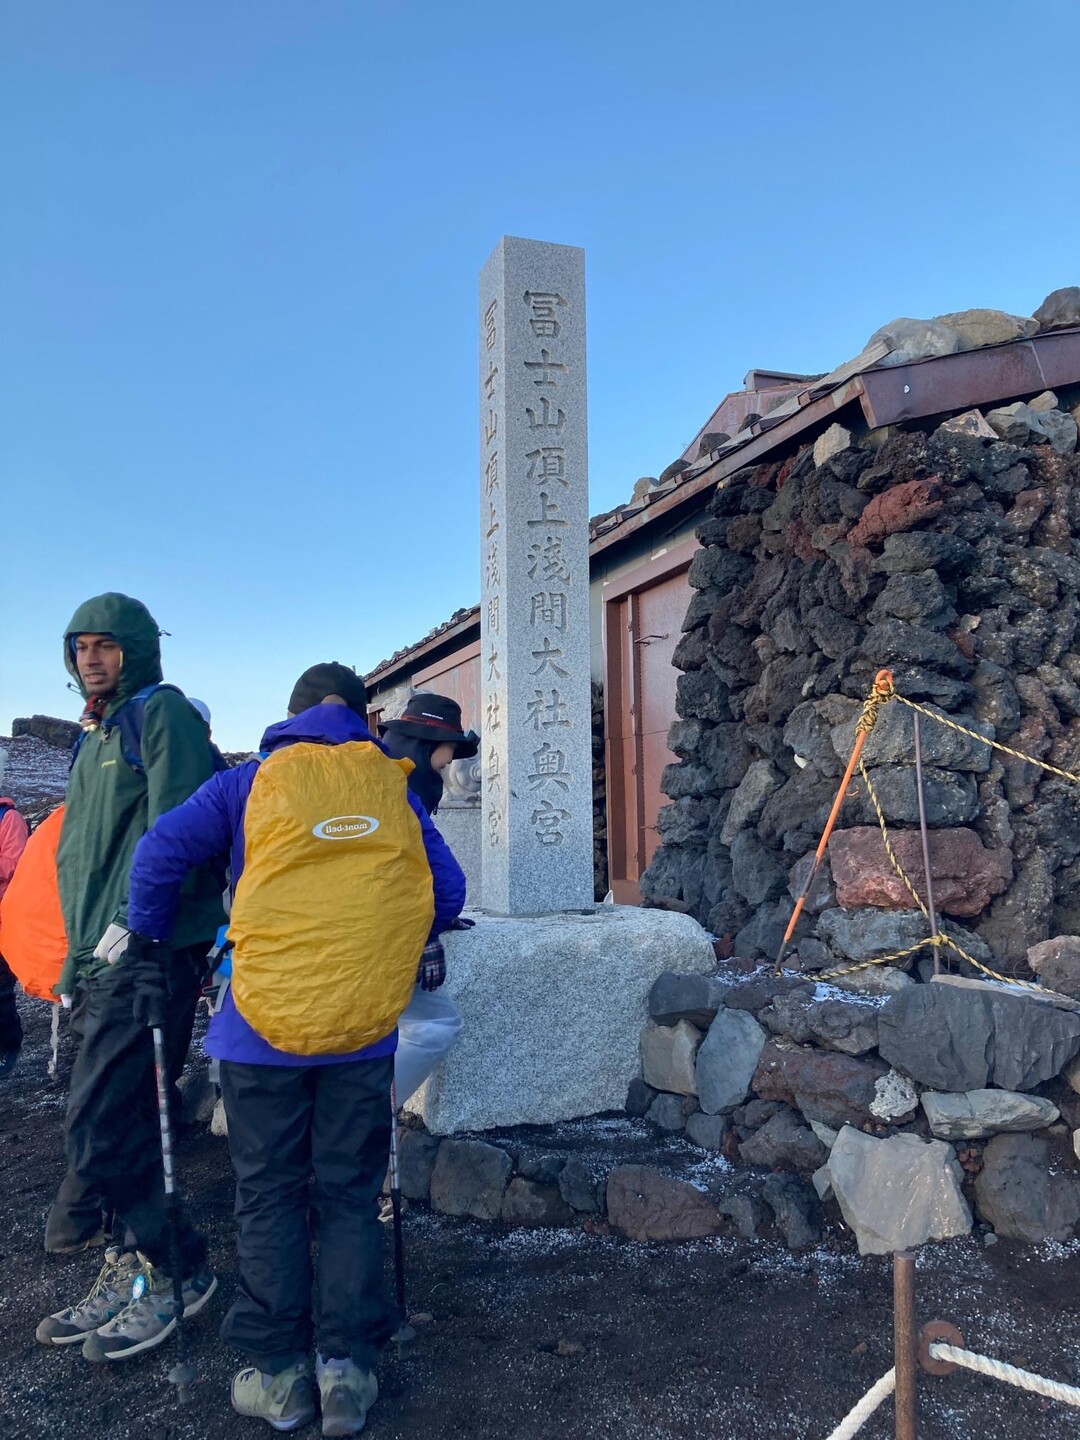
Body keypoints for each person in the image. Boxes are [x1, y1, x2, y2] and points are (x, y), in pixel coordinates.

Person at [121, 662, 465, 1436]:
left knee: (269, 1193)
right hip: (364, 1033)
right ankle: (346, 1372)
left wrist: (147, 939)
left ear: (294, 713)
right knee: (347, 1195)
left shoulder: (247, 783)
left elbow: (159, 854)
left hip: (258, 1032)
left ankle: (278, 1378)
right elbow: (447, 892)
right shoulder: (394, 785)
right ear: (361, 712)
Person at [36, 593, 224, 1349]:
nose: (91, 657)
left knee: (104, 1118)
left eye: (106, 645)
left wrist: (140, 935)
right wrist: (76, 954)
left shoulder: (161, 715)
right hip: (96, 960)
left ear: (138, 649)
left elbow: (177, 826)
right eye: (80, 645)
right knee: (130, 1117)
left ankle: (179, 1268)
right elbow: (86, 856)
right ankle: (134, 1268)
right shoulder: (96, 737)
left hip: (146, 953)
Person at [378, 693, 478, 1106]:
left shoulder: (368, 775)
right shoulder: (404, 788)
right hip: (381, 939)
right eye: (449, 749)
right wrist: (429, 925)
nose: (450, 761)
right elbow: (447, 883)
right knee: (434, 1024)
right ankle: (367, 1115)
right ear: (427, 744)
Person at [0, 752, 31, 1076]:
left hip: (2, 916)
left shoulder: (9, 819)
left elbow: (15, 864)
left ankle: (8, 1047)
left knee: (0, 989)